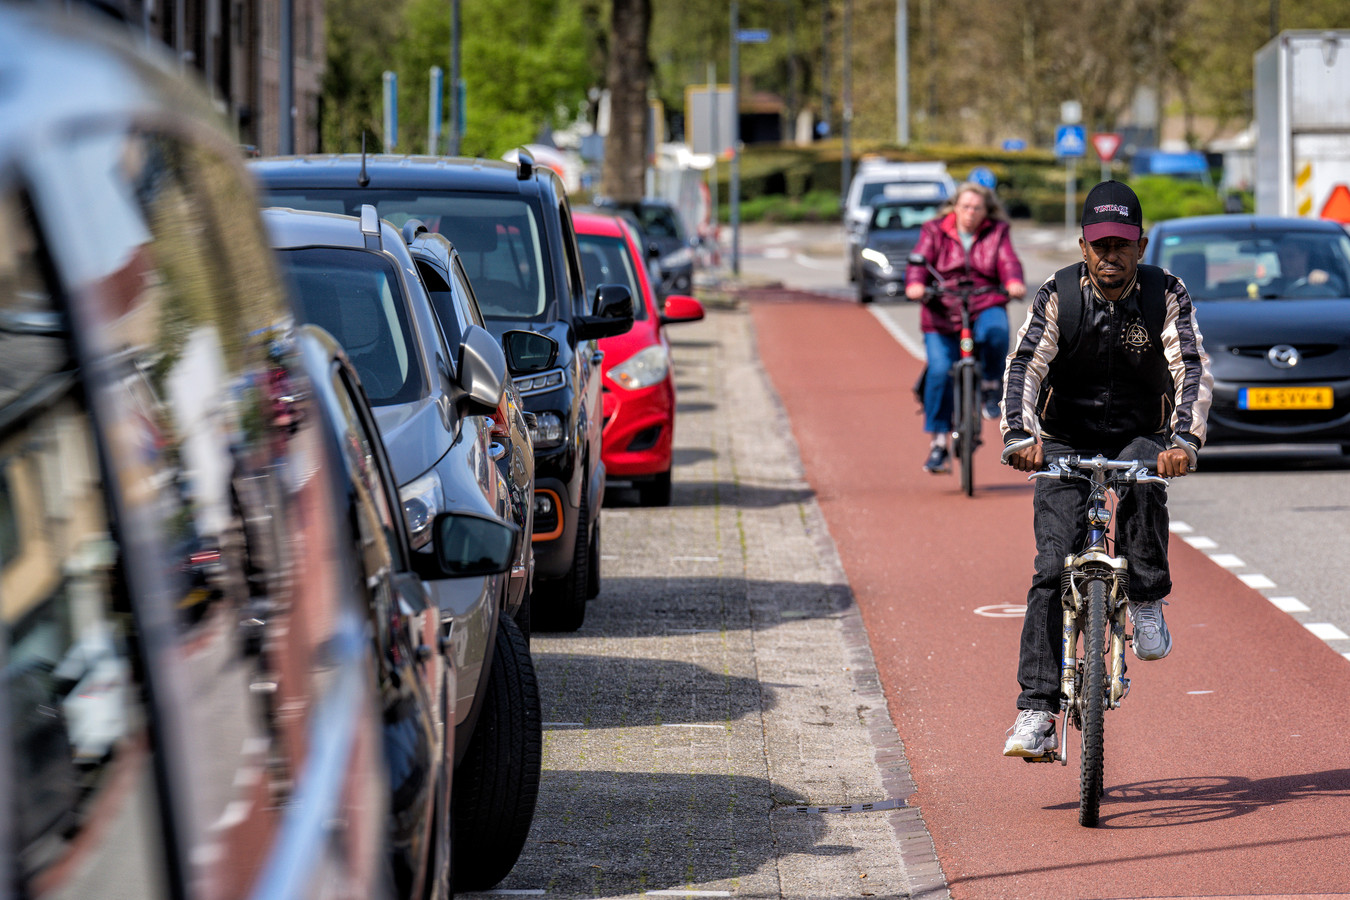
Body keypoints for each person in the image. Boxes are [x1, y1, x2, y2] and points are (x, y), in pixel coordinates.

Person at [999, 180, 1213, 758]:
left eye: (1121, 244)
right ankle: (1038, 712)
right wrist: (1021, 436)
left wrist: (1185, 442)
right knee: (1049, 569)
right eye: (1099, 245)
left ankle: (1144, 598)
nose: (1109, 256)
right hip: (1064, 438)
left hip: (1140, 431)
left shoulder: (1165, 294)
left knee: (1146, 486)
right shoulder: (1058, 294)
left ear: (1140, 247)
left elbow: (1190, 365)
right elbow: (1025, 366)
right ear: (1082, 244)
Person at [905, 181, 1027, 474]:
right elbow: (918, 263)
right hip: (942, 310)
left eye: (977, 208)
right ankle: (938, 443)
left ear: (987, 211)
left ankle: (989, 385)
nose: (970, 213)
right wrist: (916, 285)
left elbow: (1008, 260)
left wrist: (1013, 282)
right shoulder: (934, 230)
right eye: (965, 206)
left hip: (984, 302)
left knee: (996, 332)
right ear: (955, 207)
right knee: (939, 370)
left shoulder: (997, 231)